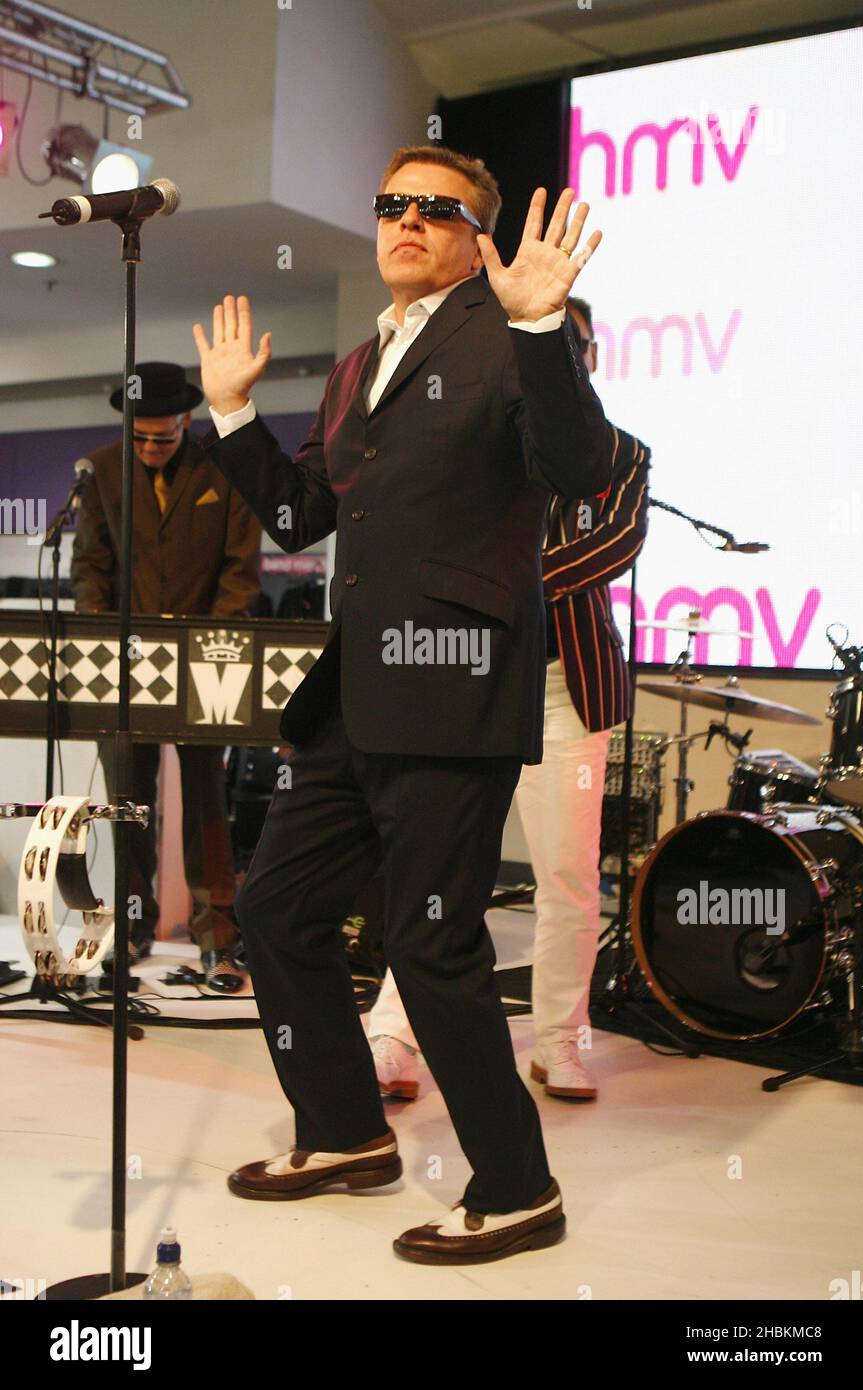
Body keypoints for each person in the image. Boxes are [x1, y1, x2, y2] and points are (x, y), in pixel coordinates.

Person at [192, 144, 612, 1263]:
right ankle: (343, 1133)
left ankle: (518, 1186)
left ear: (478, 238)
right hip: (353, 695)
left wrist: (536, 330)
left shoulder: (517, 327)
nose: (407, 221)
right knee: (276, 911)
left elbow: (576, 466)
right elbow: (298, 523)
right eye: (391, 204)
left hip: (455, 686)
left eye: (437, 208)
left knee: (430, 945)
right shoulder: (360, 360)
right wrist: (234, 419)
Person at [367, 295, 651, 1101]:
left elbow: (611, 546)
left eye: (576, 344)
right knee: (437, 867)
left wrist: (497, 587)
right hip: (464, 679)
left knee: (565, 878)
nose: (563, 354)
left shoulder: (624, 455)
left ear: (591, 358)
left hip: (564, 687)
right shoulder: (474, 438)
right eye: (547, 342)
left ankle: (559, 1038)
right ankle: (394, 1033)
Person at [70, 361, 262, 993]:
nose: (151, 449)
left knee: (209, 803)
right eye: (141, 438)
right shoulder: (100, 471)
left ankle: (218, 942)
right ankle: (130, 930)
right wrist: (101, 642)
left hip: (205, 661)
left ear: (188, 421)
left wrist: (210, 644)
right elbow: (90, 570)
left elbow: (241, 570)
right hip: (121, 668)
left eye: (165, 437)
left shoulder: (224, 468)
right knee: (127, 803)